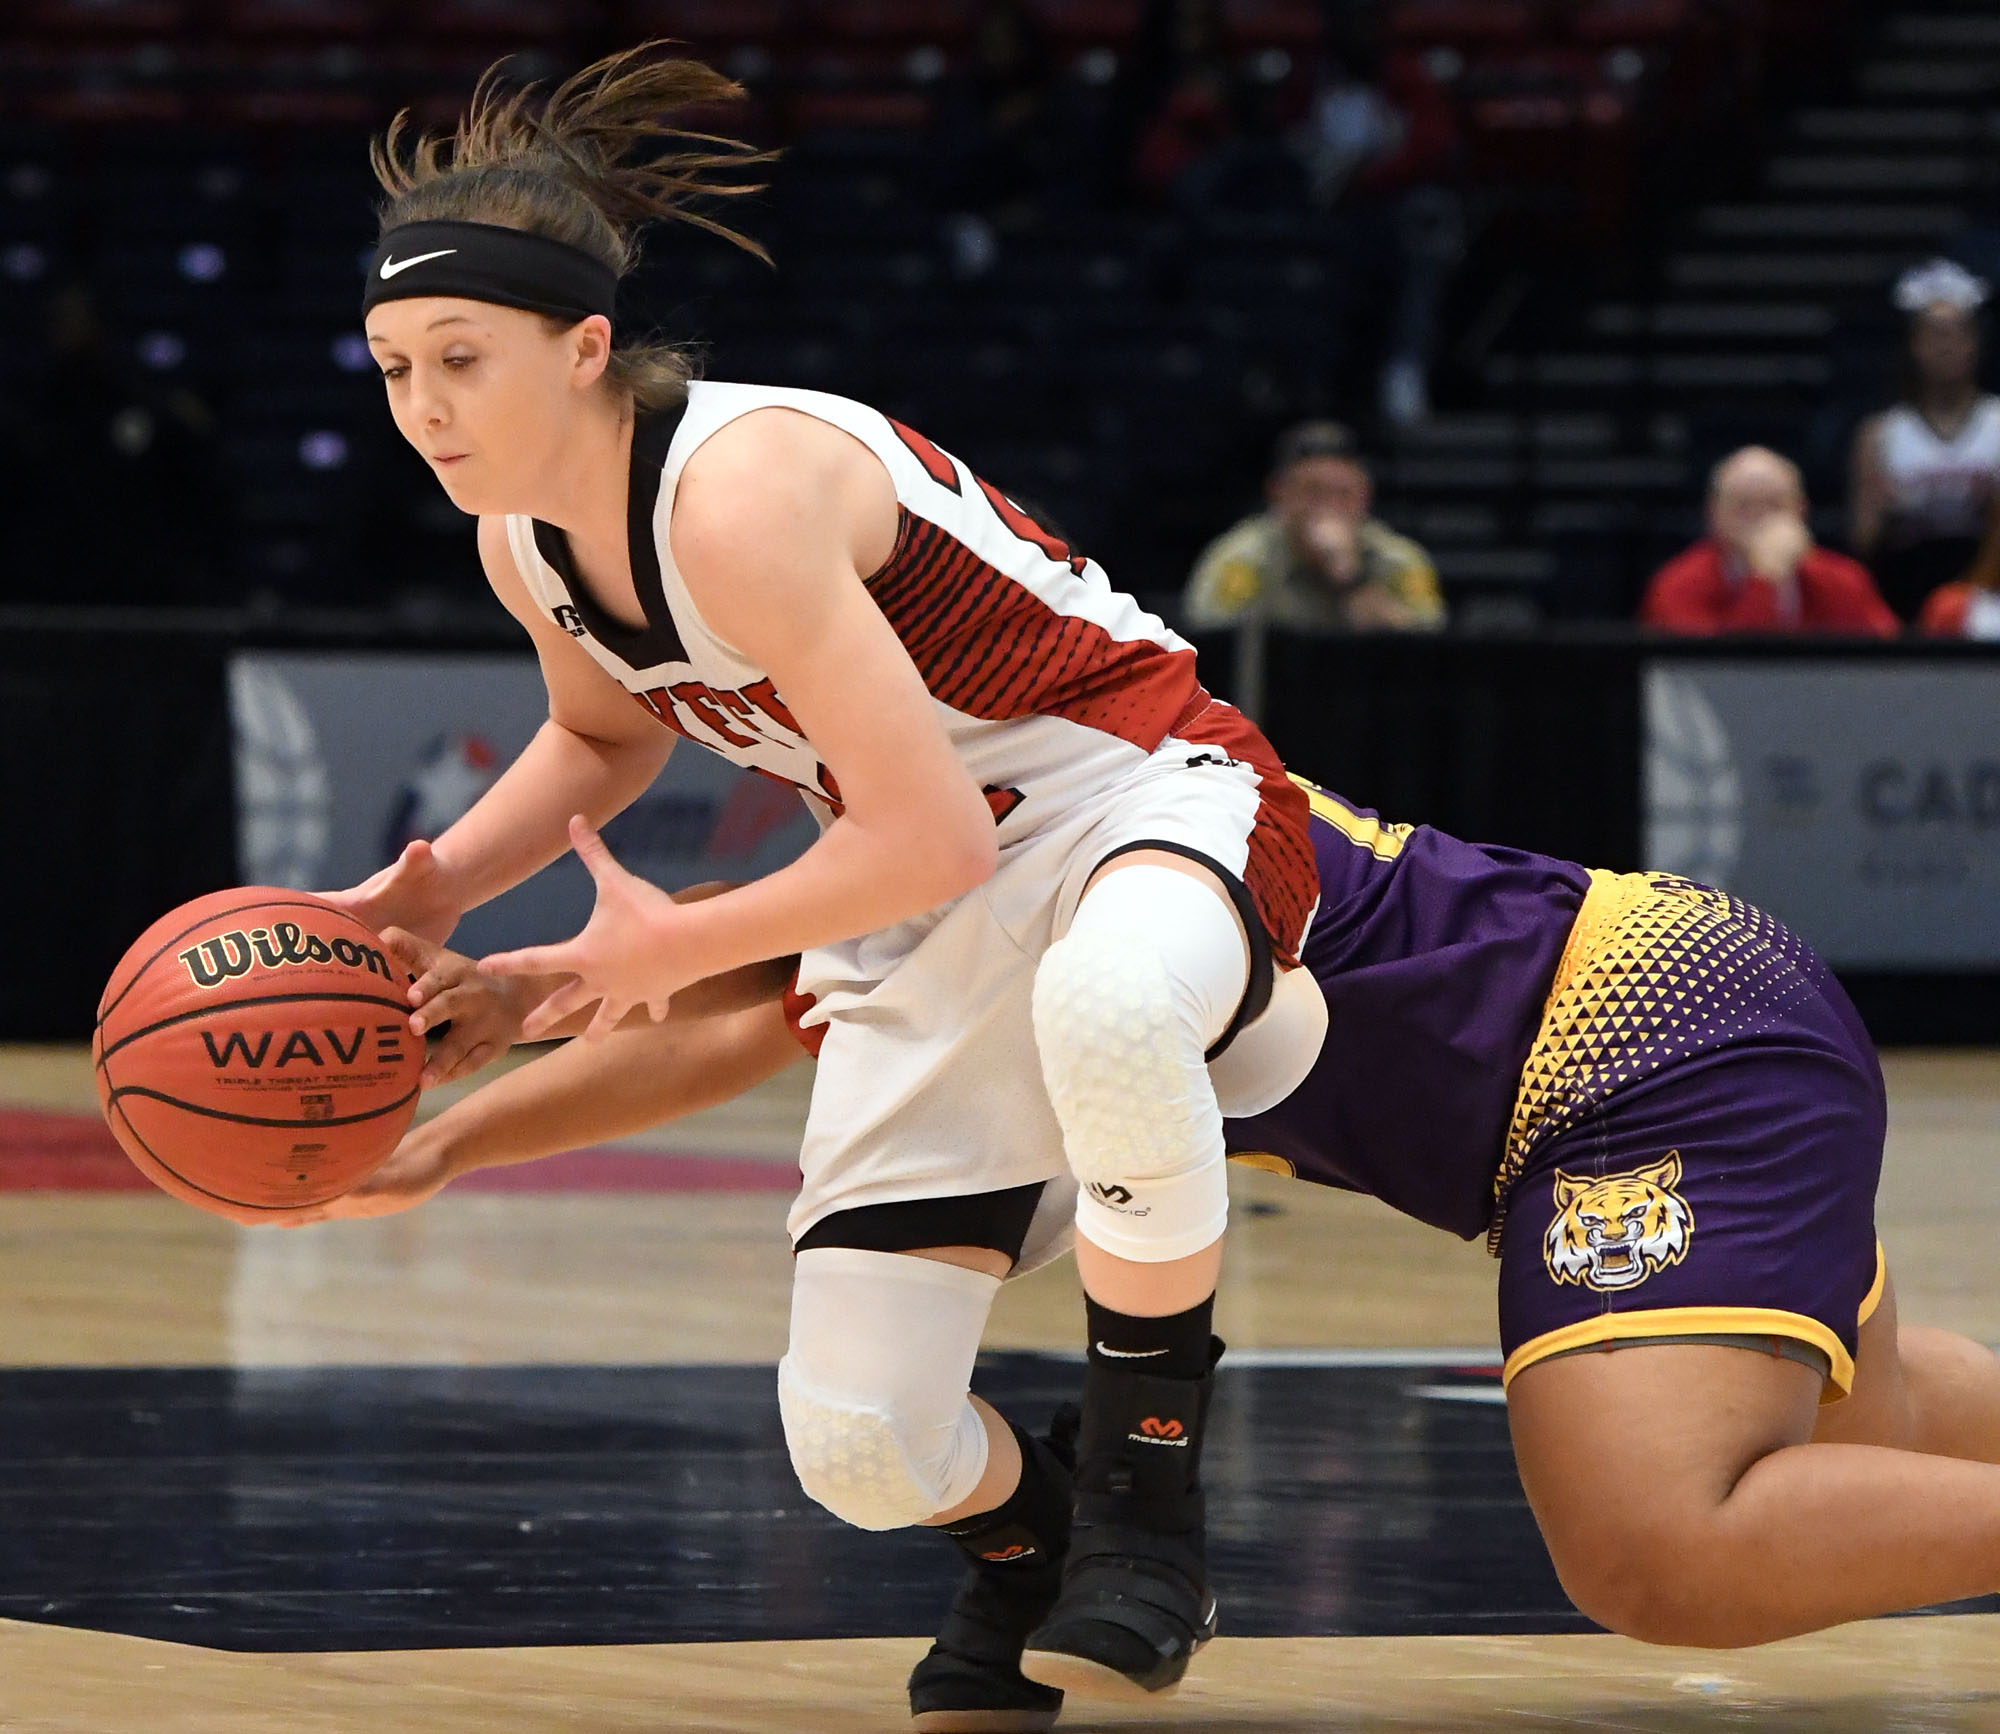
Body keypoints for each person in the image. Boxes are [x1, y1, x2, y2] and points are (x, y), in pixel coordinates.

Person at [326, 44, 1321, 1725]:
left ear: (585, 348)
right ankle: (1035, 1543)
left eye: (462, 358)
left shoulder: (743, 489)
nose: (423, 404)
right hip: (933, 877)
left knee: (1106, 999)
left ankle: (1148, 1507)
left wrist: (662, 943)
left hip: (1137, 797)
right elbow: (603, 731)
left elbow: (929, 838)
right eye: (395, 366)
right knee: (862, 1441)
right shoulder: (522, 539)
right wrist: (443, 885)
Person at [306, 772, 2000, 1683]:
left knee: (1659, 1550)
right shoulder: (905, 859)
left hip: (1634, 1047)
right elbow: (739, 1010)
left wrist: (476, 1093)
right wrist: (443, 1143)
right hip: (1649, 1006)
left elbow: (719, 994)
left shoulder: (983, 809)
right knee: (1874, 1433)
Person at [1182, 421, 1445, 632]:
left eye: (1344, 494)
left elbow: (1428, 652)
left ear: (1366, 497)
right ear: (1278, 493)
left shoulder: (1399, 561)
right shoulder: (1243, 560)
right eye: (1313, 492)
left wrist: (1351, 579)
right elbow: (1209, 646)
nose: (1329, 507)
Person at [1851, 260, 2000, 623]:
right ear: (1913, 345)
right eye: (1934, 335)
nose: (1945, 347)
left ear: (1975, 342)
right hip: (1905, 587)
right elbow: (1861, 541)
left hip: (1988, 588)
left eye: (1956, 334)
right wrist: (1883, 513)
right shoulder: (1881, 433)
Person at [1641, 446, 1898, 636]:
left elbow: (1885, 660)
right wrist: (1765, 578)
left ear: (1801, 510)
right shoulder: (1678, 585)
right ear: (1713, 514)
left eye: (1774, 505)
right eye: (1744, 506)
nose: (1759, 519)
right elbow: (1721, 670)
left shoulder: (1843, 579)